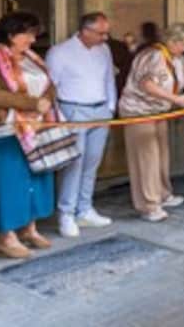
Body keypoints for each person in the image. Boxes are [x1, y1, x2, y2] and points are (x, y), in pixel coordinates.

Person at [0, 12, 56, 258]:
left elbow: (49, 85)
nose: (32, 39)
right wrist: (31, 103)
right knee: (8, 183)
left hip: (34, 129)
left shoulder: (31, 57)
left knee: (34, 178)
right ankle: (6, 237)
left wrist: (46, 102)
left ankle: (29, 228)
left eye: (33, 34)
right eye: (27, 34)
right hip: (4, 131)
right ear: (10, 34)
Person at [118, 23, 184, 222]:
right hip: (139, 112)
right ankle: (149, 205)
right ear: (173, 41)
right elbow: (146, 84)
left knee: (161, 155)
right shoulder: (152, 55)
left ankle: (163, 194)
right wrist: (176, 99)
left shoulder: (178, 59)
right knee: (146, 158)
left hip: (159, 112)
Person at [46, 12, 117, 238]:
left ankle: (84, 209)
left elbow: (109, 79)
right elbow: (50, 87)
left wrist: (111, 107)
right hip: (73, 110)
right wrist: (57, 118)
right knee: (74, 164)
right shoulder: (60, 52)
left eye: (107, 32)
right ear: (85, 30)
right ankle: (66, 214)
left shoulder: (103, 50)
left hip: (100, 110)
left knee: (91, 163)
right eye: (100, 33)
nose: (105, 37)